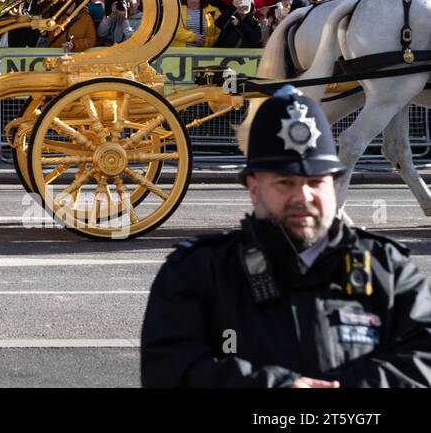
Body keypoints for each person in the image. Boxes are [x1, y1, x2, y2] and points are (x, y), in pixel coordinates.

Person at [140, 86, 431, 387]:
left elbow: (424, 364)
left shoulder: (390, 271)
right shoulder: (197, 273)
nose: (302, 196)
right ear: (254, 190)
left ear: (333, 185)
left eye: (315, 182)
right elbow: (168, 370)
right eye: (284, 182)